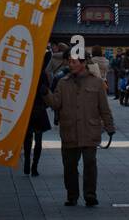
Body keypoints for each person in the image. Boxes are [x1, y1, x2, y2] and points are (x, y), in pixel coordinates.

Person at [46, 53, 115, 207]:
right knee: (69, 165)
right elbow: (56, 104)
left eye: (74, 61)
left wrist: (110, 126)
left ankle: (90, 195)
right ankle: (72, 195)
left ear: (83, 63)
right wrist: (46, 94)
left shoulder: (96, 82)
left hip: (89, 129)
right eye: (69, 61)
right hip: (69, 129)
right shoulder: (63, 83)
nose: (70, 64)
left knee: (90, 163)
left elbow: (104, 108)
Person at [21, 61, 52, 177]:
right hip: (39, 109)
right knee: (38, 140)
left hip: (27, 109)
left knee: (27, 138)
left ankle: (27, 164)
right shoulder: (42, 73)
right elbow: (46, 90)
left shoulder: (24, 72)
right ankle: (34, 167)